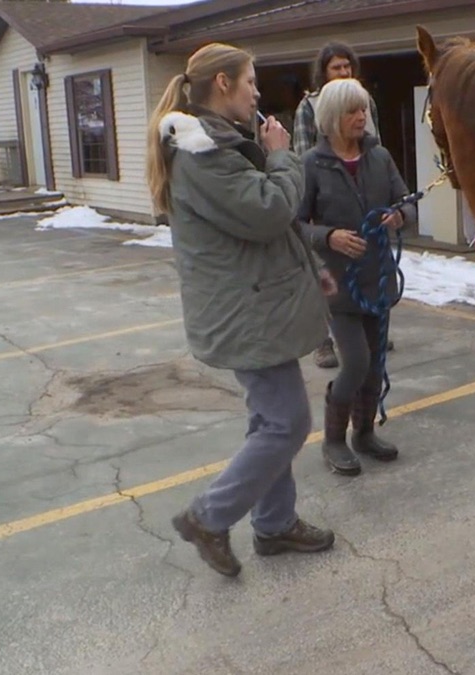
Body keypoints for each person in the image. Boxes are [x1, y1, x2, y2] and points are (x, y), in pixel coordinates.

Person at [145, 42, 336, 576]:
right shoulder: (203, 153)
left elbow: (266, 228)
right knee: (287, 423)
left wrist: (311, 265)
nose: (257, 92)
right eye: (250, 81)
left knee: (268, 421)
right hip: (246, 312)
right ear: (223, 83)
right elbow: (269, 209)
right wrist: (282, 155)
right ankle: (208, 518)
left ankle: (274, 524)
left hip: (256, 303)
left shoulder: (220, 143)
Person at [298, 77, 415, 476]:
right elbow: (295, 224)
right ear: (332, 117)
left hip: (377, 279)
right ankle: (334, 439)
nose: (361, 116)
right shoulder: (312, 165)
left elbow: (406, 202)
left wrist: (399, 215)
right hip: (337, 284)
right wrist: (329, 236)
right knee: (356, 363)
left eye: (363, 108)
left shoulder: (380, 157)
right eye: (352, 110)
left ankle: (364, 433)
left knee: (376, 364)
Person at [293, 41, 390, 369]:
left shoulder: (365, 101)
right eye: (336, 67)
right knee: (325, 277)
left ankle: (367, 324)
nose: (343, 71)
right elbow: (304, 154)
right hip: (325, 199)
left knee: (365, 266)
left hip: (360, 190)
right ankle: (323, 341)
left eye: (347, 66)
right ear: (324, 72)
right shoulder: (309, 107)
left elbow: (375, 142)